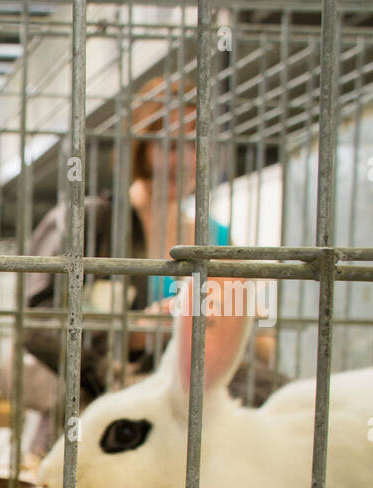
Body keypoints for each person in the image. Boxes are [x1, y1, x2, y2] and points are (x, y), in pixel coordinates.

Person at [20, 75, 284, 428]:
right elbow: (39, 324)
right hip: (101, 416)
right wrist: (129, 338)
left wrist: (252, 329)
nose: (184, 159)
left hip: (194, 423)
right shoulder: (87, 223)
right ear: (141, 147)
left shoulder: (216, 238)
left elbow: (243, 335)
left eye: (193, 145)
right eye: (169, 145)